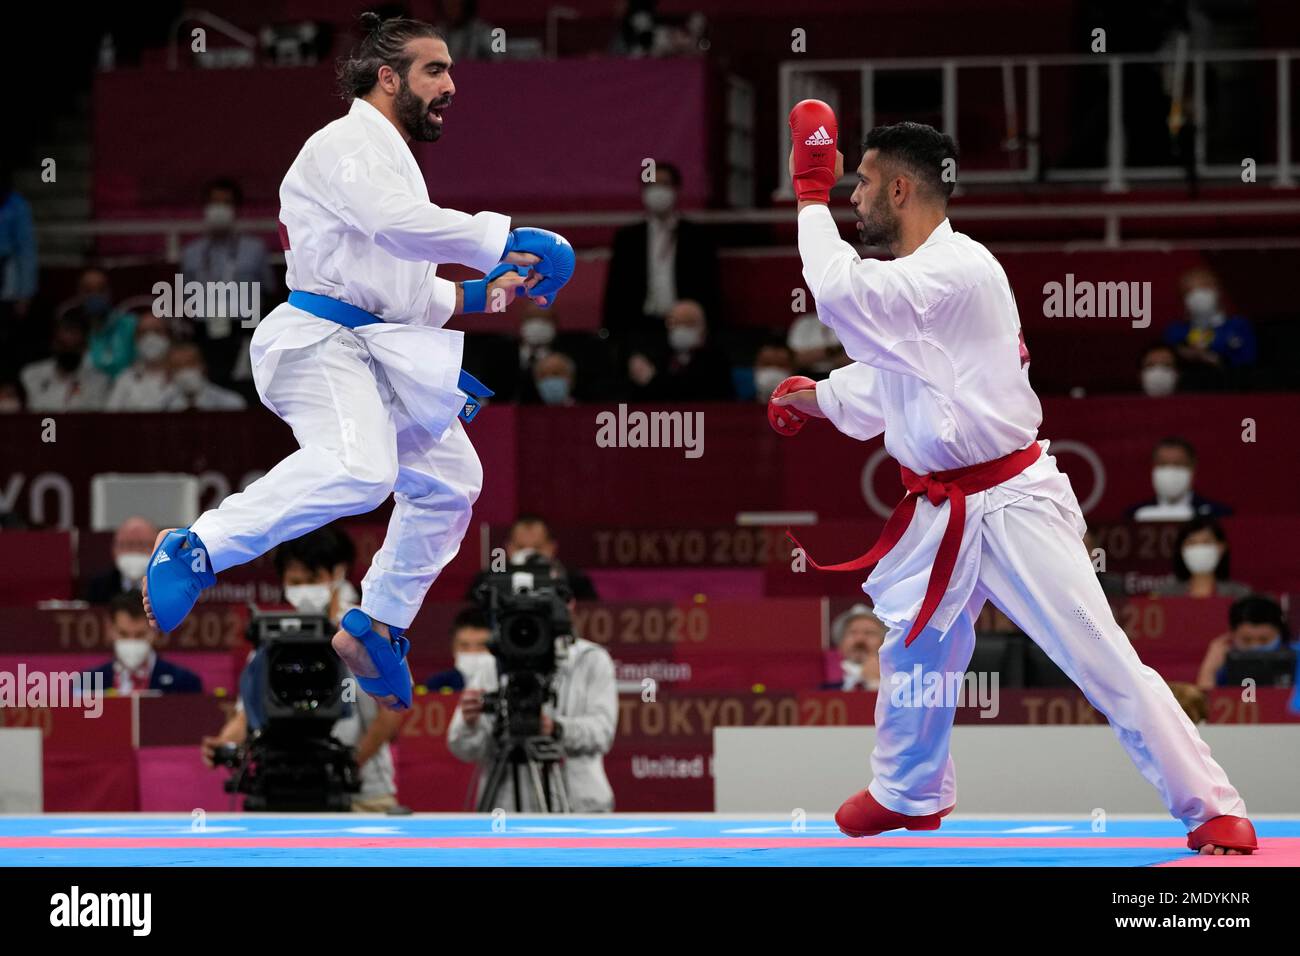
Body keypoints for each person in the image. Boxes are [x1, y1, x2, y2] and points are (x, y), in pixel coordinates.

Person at [772, 107, 1254, 853]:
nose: (851, 196)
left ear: (900, 191)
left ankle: (1210, 805)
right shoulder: (927, 282)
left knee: (1098, 656)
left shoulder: (956, 271)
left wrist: (806, 197)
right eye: (841, 186)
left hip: (1011, 502)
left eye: (860, 183)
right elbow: (899, 382)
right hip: (944, 505)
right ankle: (909, 791)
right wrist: (821, 400)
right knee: (914, 650)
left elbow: (844, 299)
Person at [141, 13, 575, 717]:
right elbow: (396, 227)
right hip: (318, 342)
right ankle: (198, 548)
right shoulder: (344, 144)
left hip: (371, 345)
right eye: (435, 70)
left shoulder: (389, 155)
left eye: (451, 71)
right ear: (387, 77)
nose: (451, 85)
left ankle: (376, 625)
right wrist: (504, 237)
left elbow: (398, 282)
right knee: (362, 468)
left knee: (451, 483)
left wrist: (486, 289)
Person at [202, 525, 404, 812]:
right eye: (294, 582)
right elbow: (250, 714)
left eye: (312, 579)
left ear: (338, 572)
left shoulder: (369, 633)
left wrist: (346, 768)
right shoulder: (272, 637)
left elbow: (391, 715)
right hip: (285, 795)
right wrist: (223, 744)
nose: (303, 589)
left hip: (363, 796)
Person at [447, 561, 618, 811]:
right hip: (506, 812)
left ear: (568, 603)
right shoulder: (491, 665)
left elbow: (602, 733)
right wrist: (470, 723)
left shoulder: (591, 660)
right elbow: (462, 748)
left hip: (578, 809)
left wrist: (556, 728)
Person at [603, 162, 720, 351]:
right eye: (651, 185)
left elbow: (710, 288)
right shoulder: (628, 238)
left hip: (685, 326)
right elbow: (616, 289)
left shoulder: (698, 237)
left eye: (664, 184)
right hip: (641, 326)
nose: (658, 191)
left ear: (676, 189)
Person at [179, 177, 277, 386]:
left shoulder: (255, 249)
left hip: (242, 334)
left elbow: (269, 292)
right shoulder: (191, 253)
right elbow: (186, 297)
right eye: (215, 203)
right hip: (204, 333)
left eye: (226, 203)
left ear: (236, 209)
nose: (219, 209)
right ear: (205, 207)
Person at [85, 590, 202, 694]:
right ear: (110, 629)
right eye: (123, 634)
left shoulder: (185, 683)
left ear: (155, 630)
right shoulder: (88, 683)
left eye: (140, 635)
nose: (132, 642)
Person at [465, 514, 599, 601]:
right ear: (509, 548)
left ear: (551, 547)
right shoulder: (488, 582)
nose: (529, 554)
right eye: (521, 547)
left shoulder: (574, 583)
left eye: (537, 547)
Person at [1161, 267, 1257, 389]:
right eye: (1189, 291)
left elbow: (1247, 363)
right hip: (1190, 391)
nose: (1198, 294)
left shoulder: (1238, 326)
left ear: (1218, 291)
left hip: (1233, 389)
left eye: (1204, 287)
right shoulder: (1175, 332)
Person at [625, 298, 734, 401]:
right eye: (674, 323)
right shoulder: (661, 357)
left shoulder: (716, 359)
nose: (680, 328)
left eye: (688, 323)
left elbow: (697, 392)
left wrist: (654, 381)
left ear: (704, 326)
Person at [1126, 436, 1232, 522]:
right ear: (1153, 468)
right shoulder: (1133, 517)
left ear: (1192, 469)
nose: (1170, 470)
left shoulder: (1218, 515)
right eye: (1163, 464)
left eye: (1178, 464)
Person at [1196, 595, 1292, 690]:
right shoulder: (1222, 662)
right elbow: (1203, 703)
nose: (1255, 647)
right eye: (1246, 640)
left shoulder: (1296, 657)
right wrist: (1208, 670)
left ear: (1280, 634)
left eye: (1264, 640)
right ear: (1232, 635)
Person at [19, 316, 110, 412]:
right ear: (54, 345)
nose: (69, 351)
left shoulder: (99, 381)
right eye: (64, 346)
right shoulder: (31, 375)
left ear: (85, 347)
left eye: (75, 347)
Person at [1151, 517, 1251, 599]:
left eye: (1206, 542)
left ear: (1221, 548)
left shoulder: (1241, 595)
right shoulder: (1163, 596)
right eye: (1192, 543)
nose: (1199, 548)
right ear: (1181, 550)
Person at [105, 312, 174, 411]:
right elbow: (109, 420)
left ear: (168, 336)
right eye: (143, 332)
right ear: (136, 340)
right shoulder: (125, 379)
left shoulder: (182, 376)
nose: (150, 338)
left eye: (157, 331)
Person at [83, 515, 160, 604]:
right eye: (128, 544)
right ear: (114, 549)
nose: (135, 551)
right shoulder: (98, 587)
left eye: (143, 545)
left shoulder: (168, 585)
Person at [160, 342, 247, 411]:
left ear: (202, 366)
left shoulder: (231, 403)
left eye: (190, 364)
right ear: (170, 373)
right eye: (177, 366)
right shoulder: (164, 406)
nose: (185, 370)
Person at [424, 606, 492, 691]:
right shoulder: (436, 686)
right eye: (464, 646)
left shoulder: (510, 686)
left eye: (481, 645)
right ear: (453, 648)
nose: (472, 652)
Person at [829, 604, 884, 691]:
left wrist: (875, 684)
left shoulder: (899, 686)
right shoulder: (824, 688)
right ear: (841, 645)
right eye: (853, 632)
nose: (860, 639)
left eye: (869, 633)